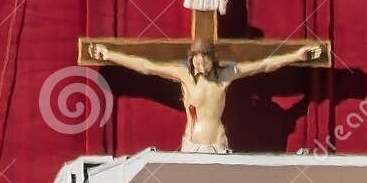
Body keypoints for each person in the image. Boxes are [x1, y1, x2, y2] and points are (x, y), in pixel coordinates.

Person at [86, 37, 324, 153]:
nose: (200, 64)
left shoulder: (227, 74)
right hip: (191, 145)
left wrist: (296, 56)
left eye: (205, 59)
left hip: (218, 144)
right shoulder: (184, 75)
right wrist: (110, 55)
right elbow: (146, 66)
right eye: (196, 60)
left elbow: (264, 65)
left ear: (213, 58)